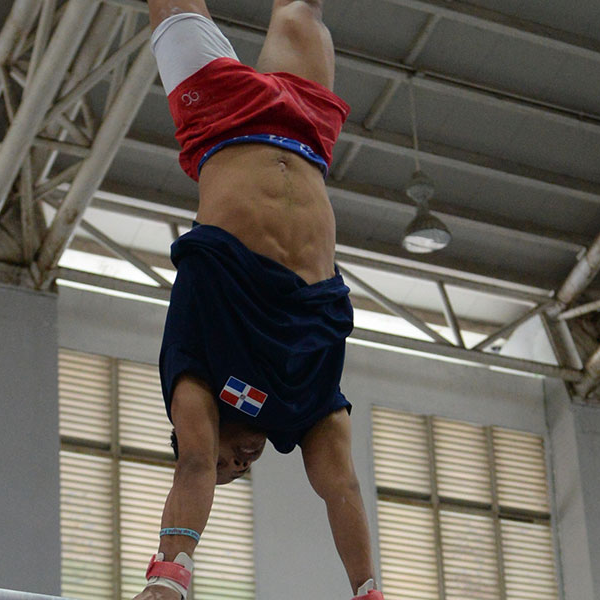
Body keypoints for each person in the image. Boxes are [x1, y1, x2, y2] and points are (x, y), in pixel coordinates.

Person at [138, 1, 383, 599]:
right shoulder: (298, 402)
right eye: (242, 471)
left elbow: (192, 463)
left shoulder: (197, 376)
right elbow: (343, 489)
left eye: (226, 464)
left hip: (220, 116)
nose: (239, 463)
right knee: (302, 8)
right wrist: (367, 591)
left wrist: (172, 576)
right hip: (303, 131)